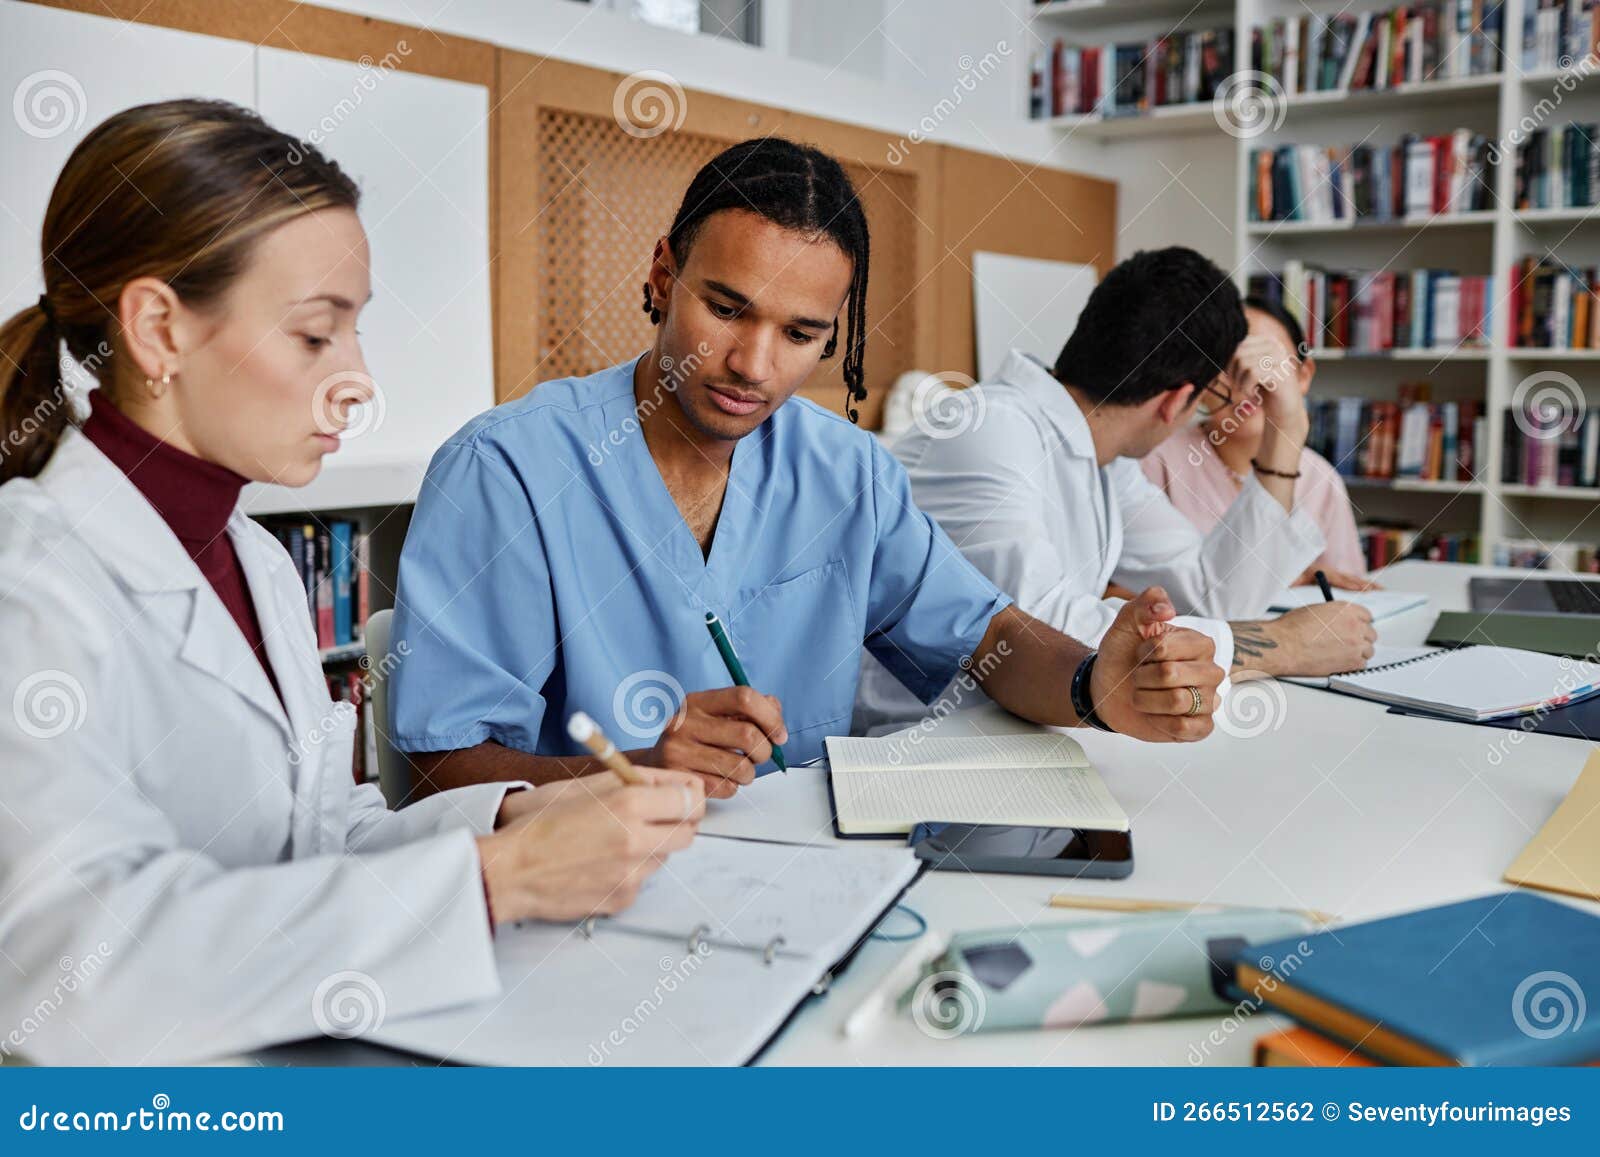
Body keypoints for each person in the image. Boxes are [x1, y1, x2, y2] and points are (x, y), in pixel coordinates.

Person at [0, 100, 704, 1066]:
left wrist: (509, 817)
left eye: (356, 333)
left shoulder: (253, 561)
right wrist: (494, 882)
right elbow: (68, 975)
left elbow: (315, 841)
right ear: (159, 329)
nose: (360, 381)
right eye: (315, 337)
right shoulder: (29, 586)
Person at [389, 138, 1226, 803]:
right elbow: (439, 769)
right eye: (725, 309)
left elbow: (989, 639)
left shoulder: (847, 474)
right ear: (661, 277)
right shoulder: (508, 470)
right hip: (586, 891)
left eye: (800, 334)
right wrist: (640, 769)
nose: (753, 363)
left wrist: (1091, 684)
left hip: (801, 890)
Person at [855, 247, 1375, 734]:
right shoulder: (985, 428)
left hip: (1018, 738)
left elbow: (1212, 593)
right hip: (914, 745)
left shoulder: (1107, 459)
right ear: (1176, 403)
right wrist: (1277, 646)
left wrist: (1285, 433)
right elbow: (1041, 639)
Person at [1142, 294, 1373, 589]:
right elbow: (1118, 593)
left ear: (1302, 376)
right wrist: (1292, 578)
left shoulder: (1320, 478)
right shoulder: (1155, 462)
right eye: (1227, 362)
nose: (1247, 380)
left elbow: (1347, 591)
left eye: (1266, 361)